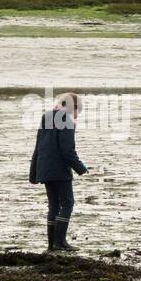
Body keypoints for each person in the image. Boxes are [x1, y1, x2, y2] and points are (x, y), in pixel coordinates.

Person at [29, 92, 88, 252]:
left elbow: (38, 147)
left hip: (44, 168)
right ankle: (60, 242)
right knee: (67, 203)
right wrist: (81, 168)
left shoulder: (46, 117)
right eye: (77, 112)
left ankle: (51, 244)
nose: (77, 116)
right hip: (59, 169)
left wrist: (33, 172)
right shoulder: (66, 120)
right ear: (72, 107)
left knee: (53, 205)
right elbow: (67, 150)